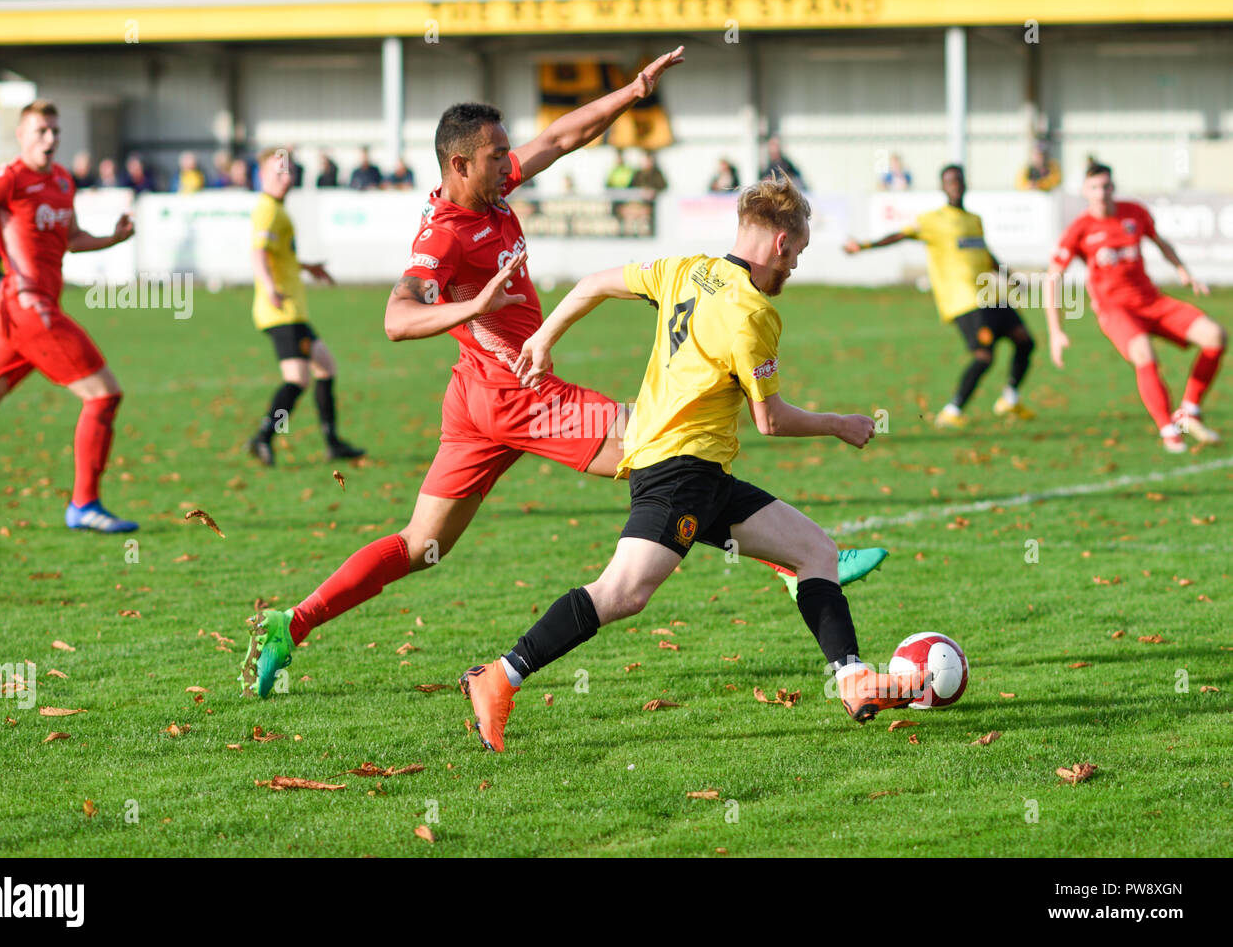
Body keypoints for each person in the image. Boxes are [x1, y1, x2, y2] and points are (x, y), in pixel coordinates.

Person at [236, 51, 894, 699]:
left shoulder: (490, 192)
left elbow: (559, 136)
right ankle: (793, 559)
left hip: (475, 398)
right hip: (519, 395)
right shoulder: (446, 233)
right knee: (663, 447)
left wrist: (631, 91)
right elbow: (396, 317)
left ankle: (291, 622)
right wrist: (474, 305)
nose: (511, 160)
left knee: (419, 544)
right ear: (460, 164)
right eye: (498, 155)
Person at [459, 174, 929, 751]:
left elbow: (594, 283)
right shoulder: (752, 312)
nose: (796, 268)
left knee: (816, 551)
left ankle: (855, 681)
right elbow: (770, 420)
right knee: (623, 592)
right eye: (799, 253)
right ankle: (500, 677)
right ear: (781, 242)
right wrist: (840, 424)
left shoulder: (684, 269)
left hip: (701, 474)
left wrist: (545, 337)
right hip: (680, 471)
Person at [0, 100, 139, 532]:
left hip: (24, 314)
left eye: (55, 131)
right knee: (103, 394)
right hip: (28, 308)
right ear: (22, 135)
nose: (50, 139)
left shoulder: (63, 180)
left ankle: (84, 505)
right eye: (41, 131)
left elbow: (72, 238)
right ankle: (84, 505)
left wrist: (113, 239)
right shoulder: (8, 178)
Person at [1044, 162, 1225, 452]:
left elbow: (1159, 241)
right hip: (1115, 309)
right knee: (1143, 352)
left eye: (1105, 186)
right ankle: (1169, 430)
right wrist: (1055, 331)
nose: (1101, 193)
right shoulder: (1079, 229)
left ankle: (1189, 411)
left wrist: (1183, 271)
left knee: (1215, 336)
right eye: (1094, 188)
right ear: (1084, 192)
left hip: (1151, 301)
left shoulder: (1134, 213)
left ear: (1113, 187)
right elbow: (1052, 279)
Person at [845, 164, 1036, 427]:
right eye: (950, 181)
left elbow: (985, 254)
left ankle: (1010, 400)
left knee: (1025, 341)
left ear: (965, 184)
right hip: (964, 301)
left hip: (990, 296)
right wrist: (864, 245)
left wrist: (1011, 278)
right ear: (942, 187)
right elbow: (899, 235)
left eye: (958, 180)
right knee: (984, 356)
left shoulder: (974, 220)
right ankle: (952, 411)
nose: (955, 185)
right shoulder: (931, 220)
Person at [246, 148, 365, 467]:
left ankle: (332, 441)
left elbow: (278, 254)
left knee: (325, 367)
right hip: (280, 310)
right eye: (277, 172)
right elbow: (258, 253)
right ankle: (264, 436)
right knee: (298, 379)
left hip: (291, 309)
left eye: (288, 171)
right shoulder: (267, 210)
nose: (286, 178)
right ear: (262, 176)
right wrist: (270, 287)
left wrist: (307, 266)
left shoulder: (277, 209)